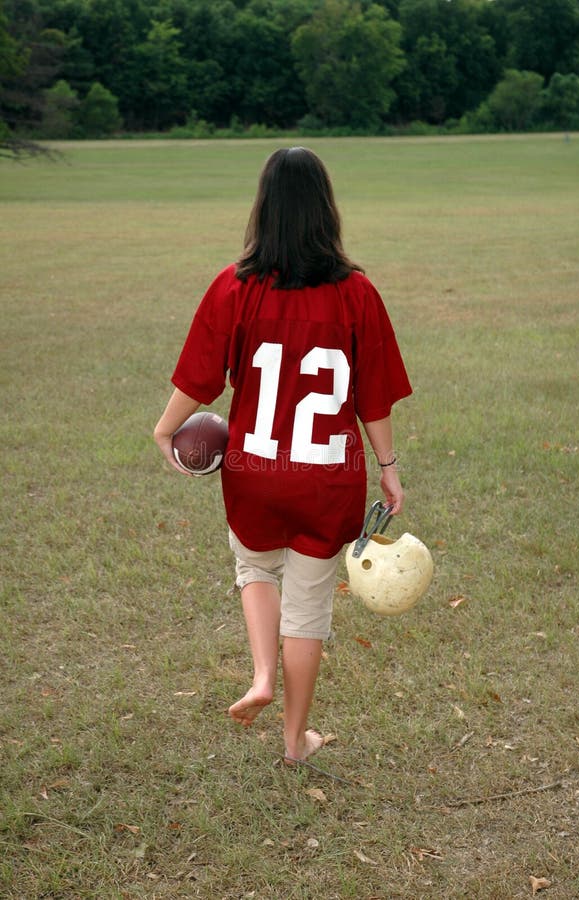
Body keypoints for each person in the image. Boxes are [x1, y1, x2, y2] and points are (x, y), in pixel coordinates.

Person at [154, 147, 412, 764]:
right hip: (329, 477)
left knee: (255, 569)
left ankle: (262, 675)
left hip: (255, 472)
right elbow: (374, 396)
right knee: (309, 606)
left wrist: (165, 430)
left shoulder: (234, 285)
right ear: (326, 209)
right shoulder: (357, 293)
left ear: (263, 207)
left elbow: (200, 376)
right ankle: (296, 741)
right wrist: (389, 467)